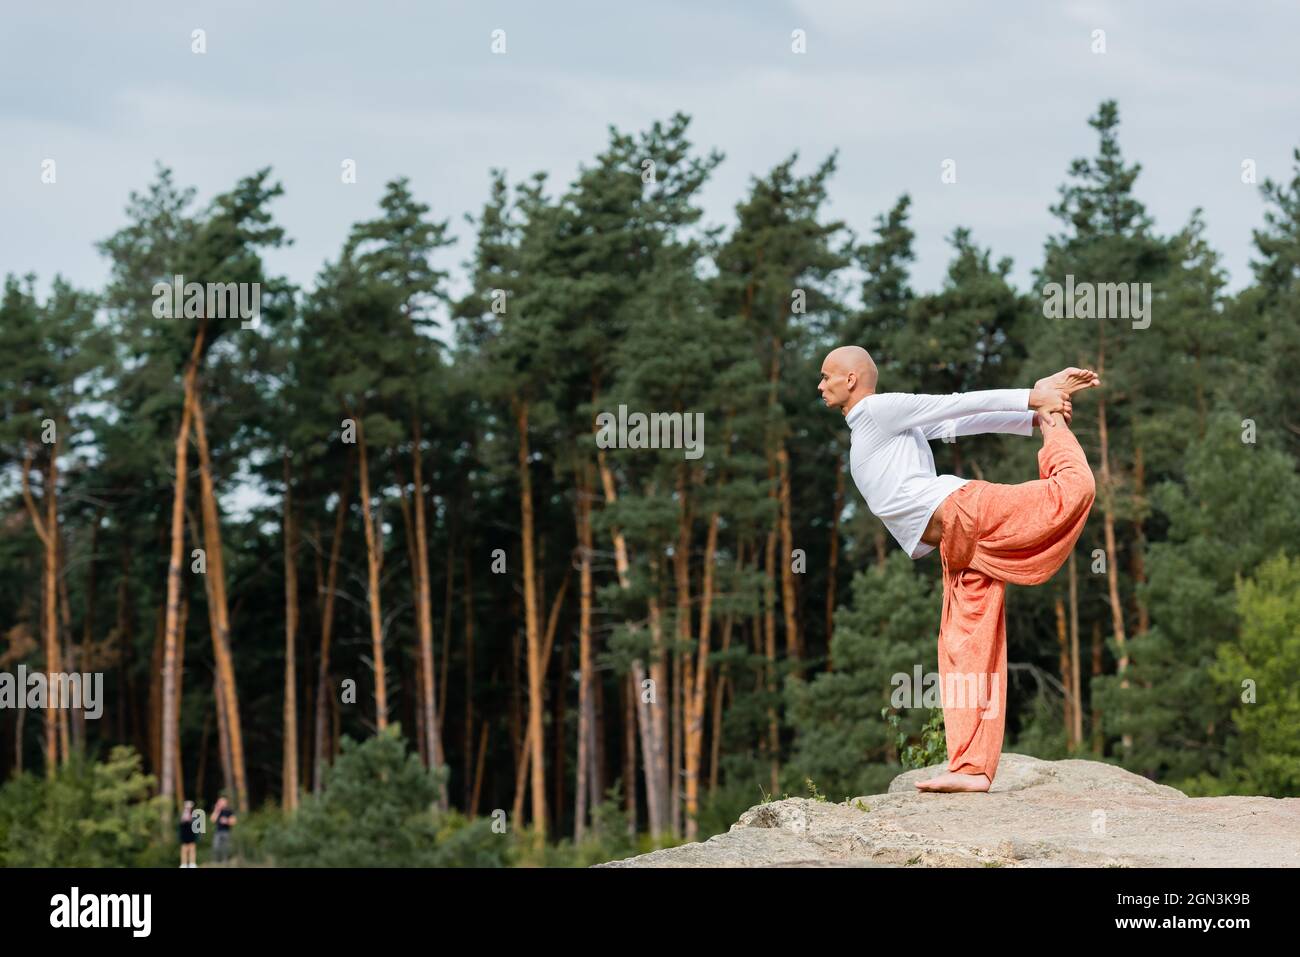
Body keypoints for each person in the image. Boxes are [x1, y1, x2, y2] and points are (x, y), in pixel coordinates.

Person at [818, 345, 1098, 792]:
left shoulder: (874, 411)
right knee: (965, 651)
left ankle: (1055, 425)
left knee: (1074, 489)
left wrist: (1036, 401)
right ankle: (971, 769)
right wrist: (1032, 412)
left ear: (851, 380)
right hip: (958, 545)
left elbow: (954, 404)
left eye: (826, 376)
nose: (820, 385)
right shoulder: (877, 428)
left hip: (965, 511)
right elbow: (958, 423)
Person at [211, 795, 237, 863]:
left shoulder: (229, 811)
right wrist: (217, 810)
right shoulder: (217, 811)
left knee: (226, 847)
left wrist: (227, 821)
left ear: (225, 802)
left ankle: (225, 861)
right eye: (219, 801)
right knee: (216, 846)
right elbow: (212, 820)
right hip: (218, 832)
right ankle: (217, 860)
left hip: (226, 832)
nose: (220, 802)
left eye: (222, 801)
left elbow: (234, 821)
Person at [178, 800, 198, 867]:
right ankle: (184, 864)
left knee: (192, 848)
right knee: (184, 849)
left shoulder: (194, 814)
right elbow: (181, 824)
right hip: (184, 834)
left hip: (191, 834)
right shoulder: (182, 814)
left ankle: (192, 863)